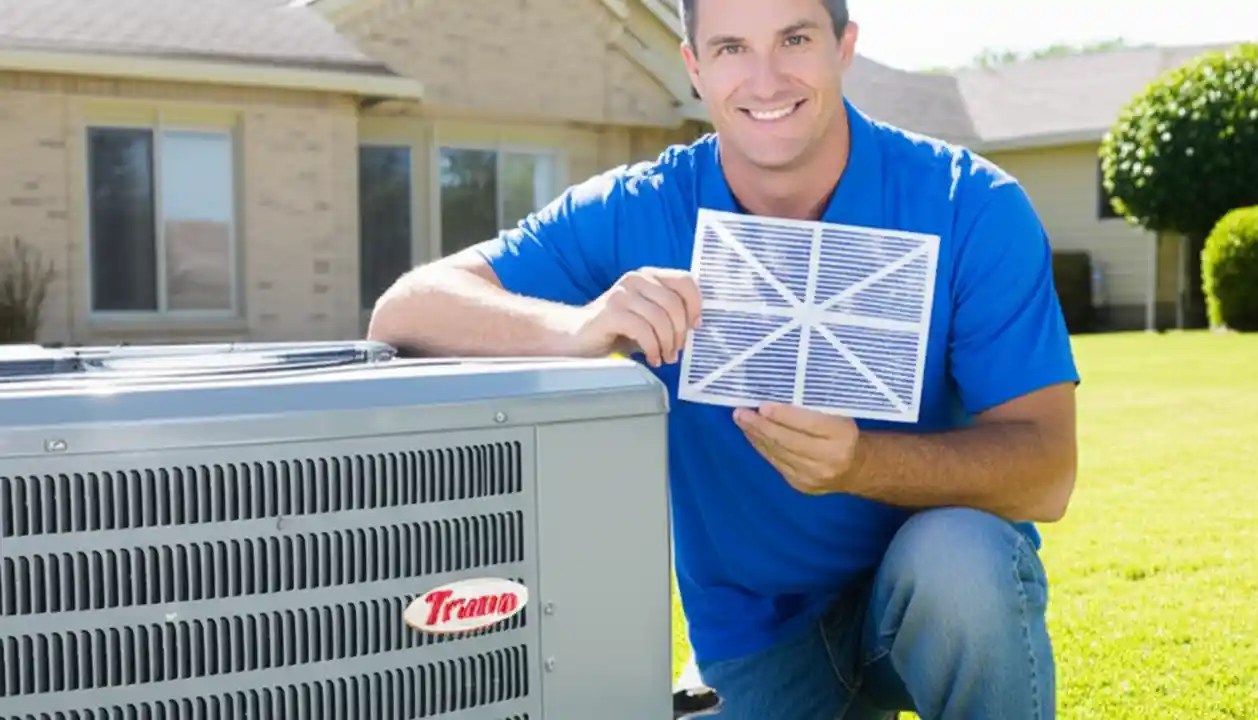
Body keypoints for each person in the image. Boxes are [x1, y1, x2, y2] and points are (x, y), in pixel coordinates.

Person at [367, 0, 1080, 716]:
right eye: (733, 47)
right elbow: (408, 308)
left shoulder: (970, 205)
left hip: (929, 601)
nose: (765, 80)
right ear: (695, 68)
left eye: (794, 39)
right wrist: (578, 325)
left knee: (963, 558)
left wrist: (862, 464)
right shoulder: (639, 209)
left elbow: (1046, 475)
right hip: (752, 637)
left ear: (844, 47)